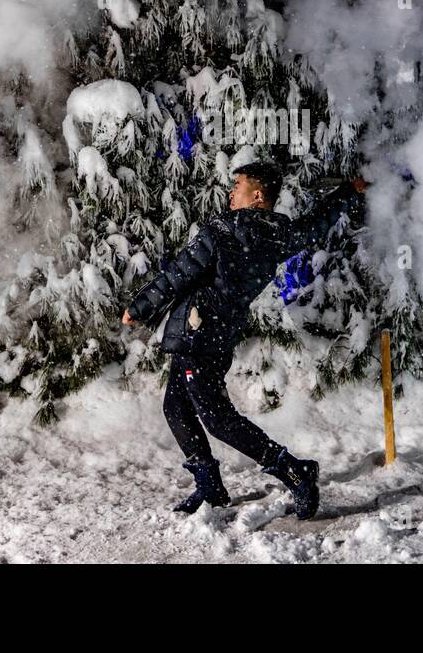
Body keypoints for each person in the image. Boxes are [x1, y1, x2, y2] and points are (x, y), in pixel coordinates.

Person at [121, 161, 367, 519]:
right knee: (176, 407)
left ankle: (292, 470)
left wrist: (140, 306)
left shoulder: (222, 230)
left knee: (217, 418)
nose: (231, 192)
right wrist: (348, 192)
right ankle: (210, 489)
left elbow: (179, 272)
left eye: (237, 186)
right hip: (218, 332)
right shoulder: (279, 234)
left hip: (199, 333)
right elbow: (315, 225)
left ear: (256, 195)